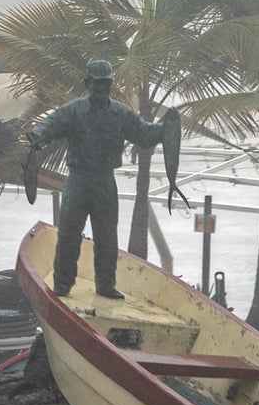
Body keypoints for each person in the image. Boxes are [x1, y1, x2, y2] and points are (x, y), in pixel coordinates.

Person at [26, 60, 166, 300]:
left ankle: (105, 284)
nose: (102, 88)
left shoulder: (121, 113)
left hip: (104, 182)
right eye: (98, 83)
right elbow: (51, 124)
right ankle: (62, 284)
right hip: (78, 180)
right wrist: (38, 135)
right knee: (69, 234)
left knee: (107, 238)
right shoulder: (74, 110)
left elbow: (144, 134)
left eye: (107, 83)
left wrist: (166, 128)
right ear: (87, 83)